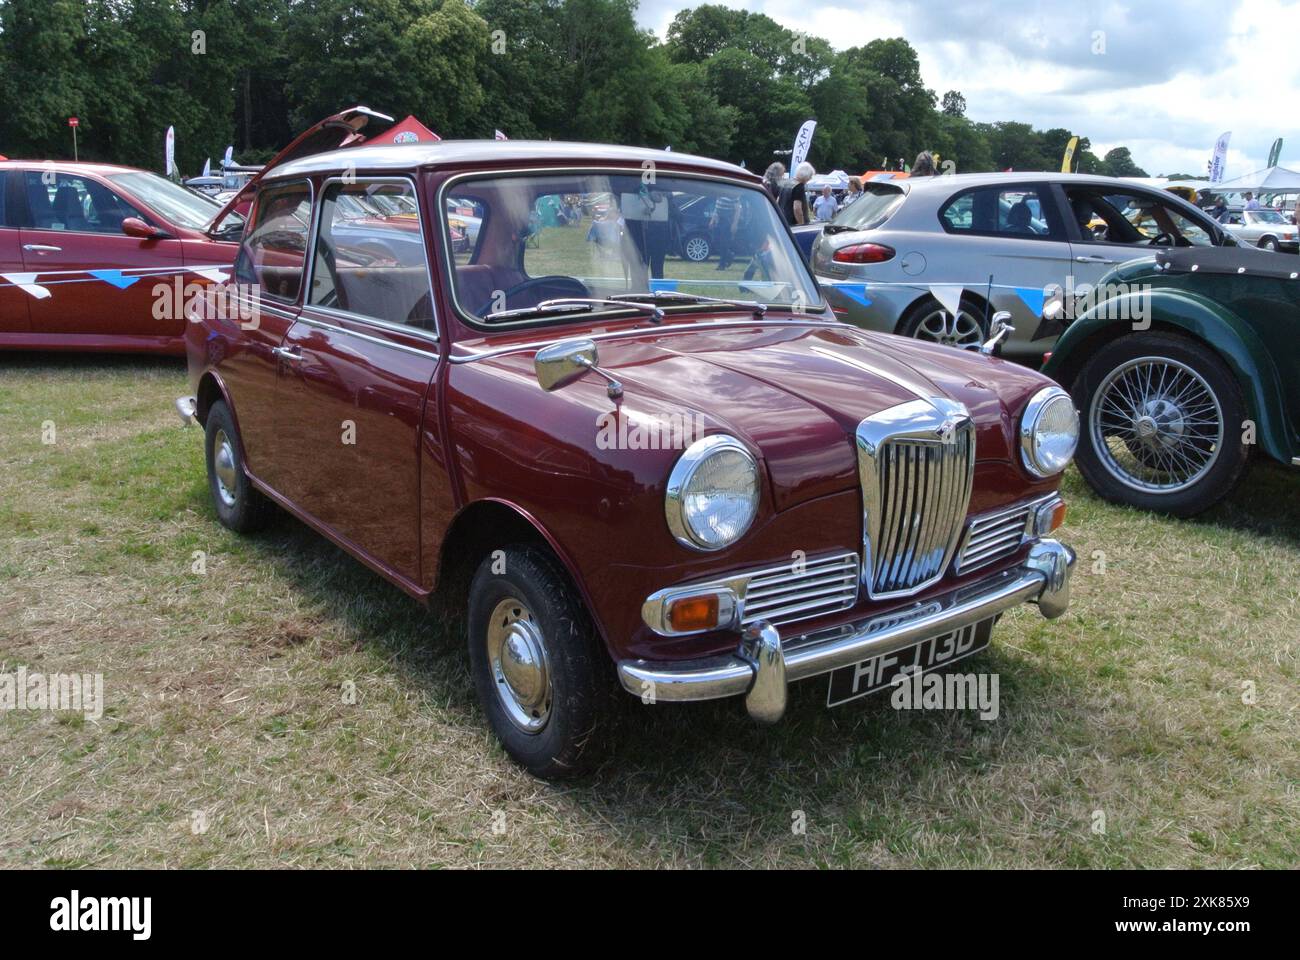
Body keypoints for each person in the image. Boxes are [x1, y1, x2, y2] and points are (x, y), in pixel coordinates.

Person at [710, 193, 741, 270]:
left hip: (727, 221)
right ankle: (729, 255)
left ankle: (722, 265)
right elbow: (717, 208)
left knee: (724, 243)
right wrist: (712, 219)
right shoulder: (719, 193)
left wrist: (734, 224)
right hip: (718, 220)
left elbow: (738, 210)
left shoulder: (733, 194)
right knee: (715, 241)